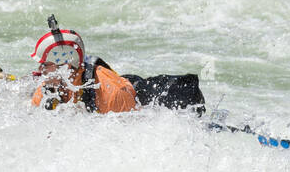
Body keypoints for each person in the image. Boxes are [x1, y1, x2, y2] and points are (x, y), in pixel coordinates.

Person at [31, 20, 207, 116]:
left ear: (67, 64)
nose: (40, 70)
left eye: (45, 65)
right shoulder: (48, 87)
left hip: (154, 98)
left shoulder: (112, 94)